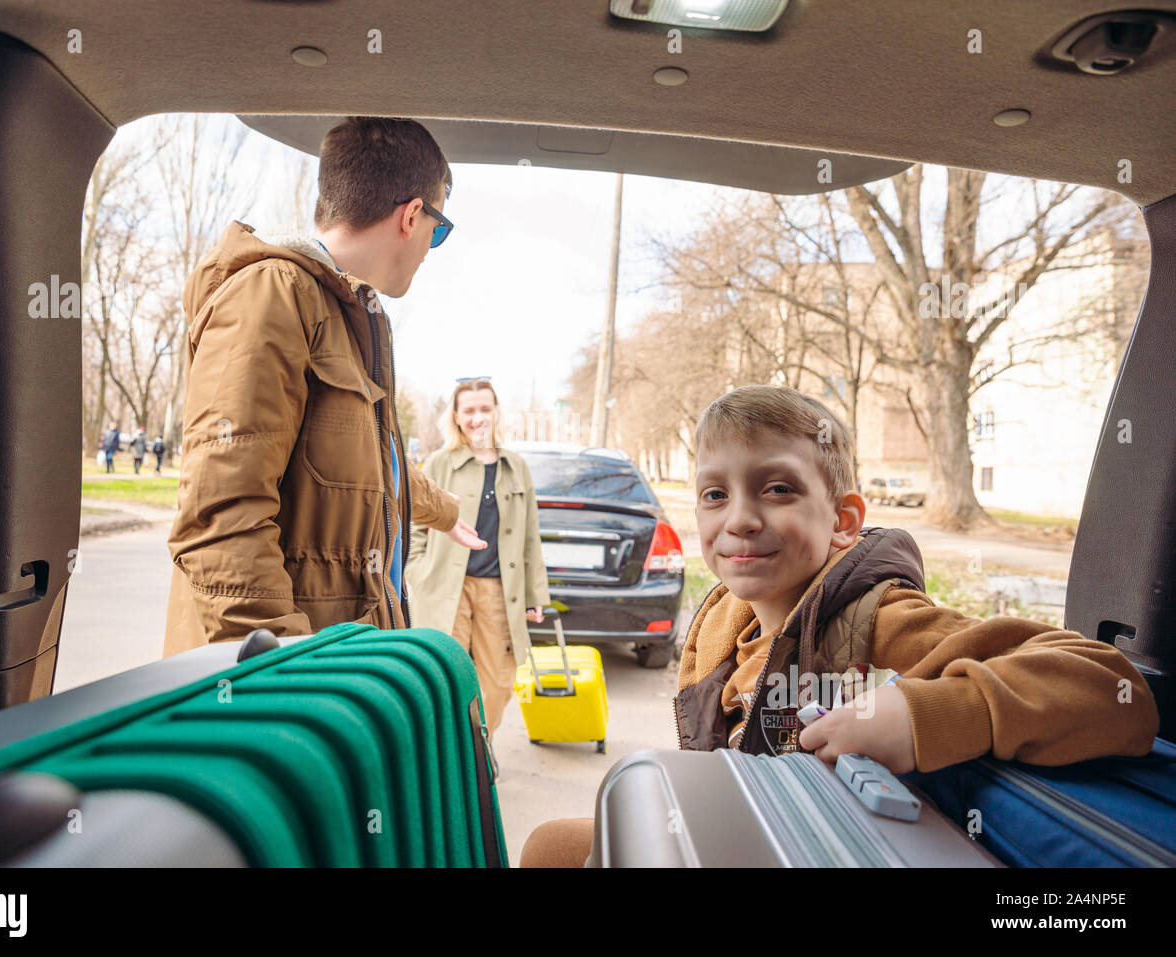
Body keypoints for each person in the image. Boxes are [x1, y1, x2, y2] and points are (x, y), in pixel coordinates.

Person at [520, 384, 1159, 866]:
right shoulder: (722, 623)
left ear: (844, 521)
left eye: (776, 489)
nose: (739, 518)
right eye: (716, 494)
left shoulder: (878, 617)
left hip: (826, 846)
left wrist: (918, 716)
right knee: (554, 844)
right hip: (758, 829)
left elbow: (1111, 687)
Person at [164, 117, 484, 655]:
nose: (433, 247)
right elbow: (219, 517)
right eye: (440, 229)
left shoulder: (342, 313)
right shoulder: (272, 296)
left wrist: (445, 511)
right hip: (285, 694)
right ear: (412, 216)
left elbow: (364, 467)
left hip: (337, 675)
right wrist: (286, 678)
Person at [407, 379, 550, 739]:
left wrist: (535, 596)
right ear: (456, 417)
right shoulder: (438, 464)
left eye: (485, 409)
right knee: (442, 674)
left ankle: (477, 748)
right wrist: (418, 570)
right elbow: (412, 525)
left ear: (496, 412)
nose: (477, 418)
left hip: (498, 590)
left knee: (498, 682)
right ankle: (453, 755)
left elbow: (531, 534)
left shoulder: (516, 467)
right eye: (469, 410)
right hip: (443, 587)